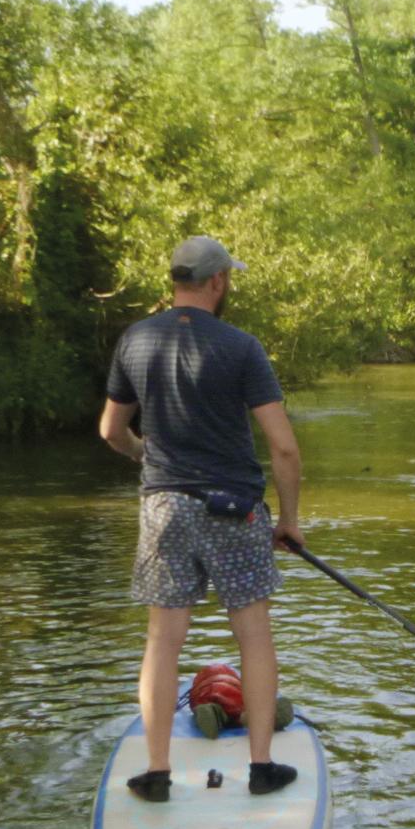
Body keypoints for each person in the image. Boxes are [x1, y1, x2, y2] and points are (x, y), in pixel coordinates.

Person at [99, 235, 305, 800]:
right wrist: (287, 520)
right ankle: (261, 768)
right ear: (217, 281)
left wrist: (147, 455)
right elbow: (283, 448)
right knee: (253, 636)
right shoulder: (241, 347)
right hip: (235, 510)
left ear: (176, 280)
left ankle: (158, 773)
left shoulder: (134, 340)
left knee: (164, 640)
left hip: (164, 507)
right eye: (228, 278)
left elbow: (110, 432)